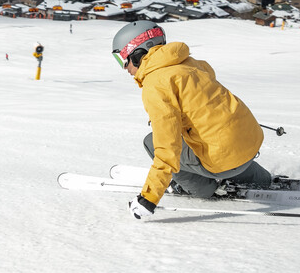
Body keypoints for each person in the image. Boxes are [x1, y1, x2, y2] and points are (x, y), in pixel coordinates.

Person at [111, 21, 272, 220]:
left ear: (138, 53)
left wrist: (149, 198)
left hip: (222, 160)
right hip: (249, 142)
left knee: (151, 142)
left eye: (122, 59)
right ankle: (260, 178)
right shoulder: (191, 63)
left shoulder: (155, 84)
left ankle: (204, 188)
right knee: (220, 140)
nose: (124, 68)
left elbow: (166, 150)